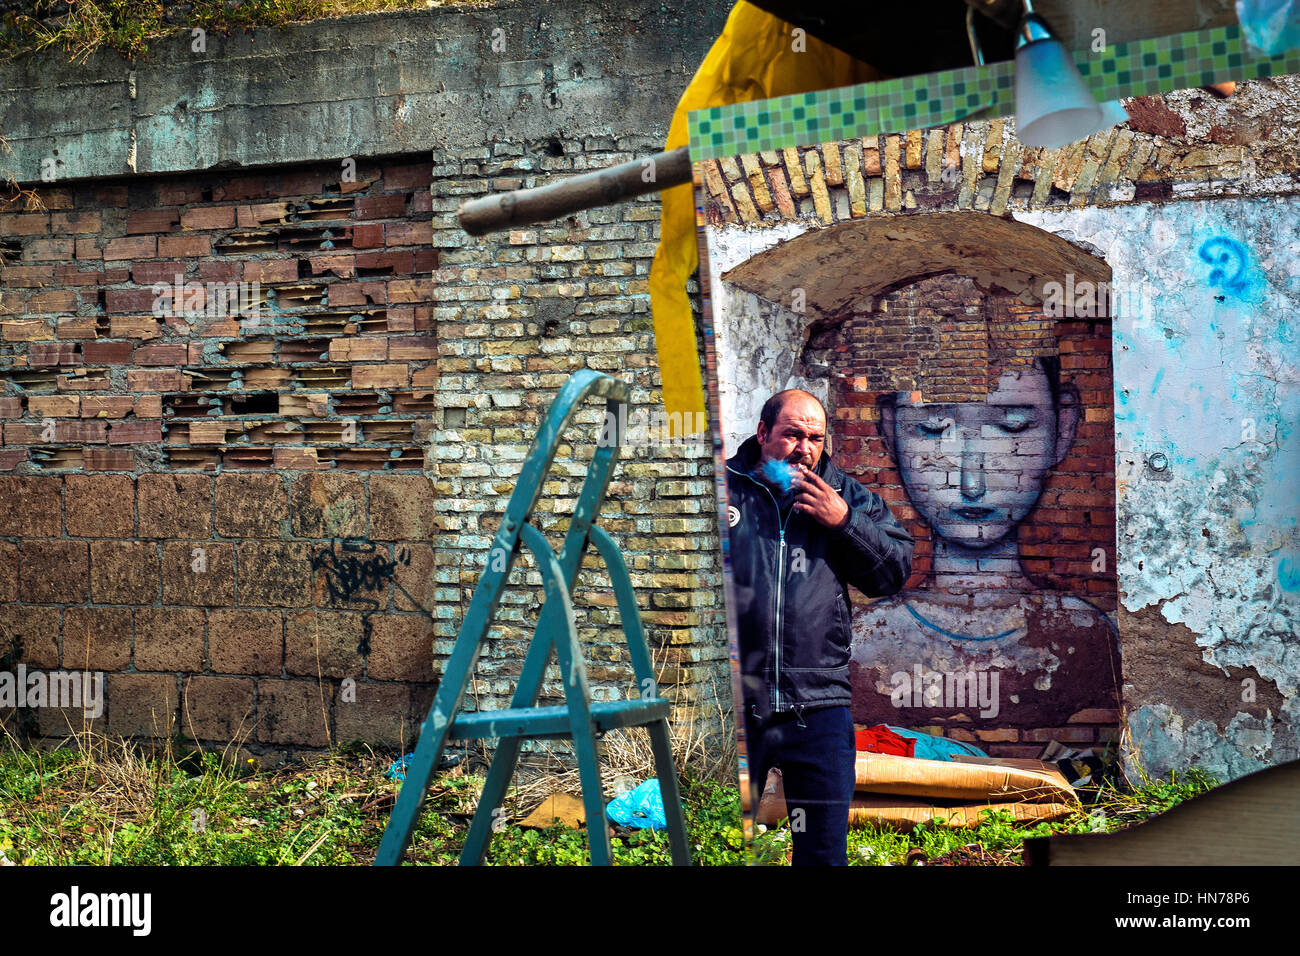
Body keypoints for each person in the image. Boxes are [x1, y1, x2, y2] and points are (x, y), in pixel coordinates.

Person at [725, 388, 914, 865]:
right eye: (792, 434)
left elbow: (892, 574)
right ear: (764, 432)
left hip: (819, 702)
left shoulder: (846, 496)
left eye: (815, 437)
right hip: (733, 704)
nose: (805, 447)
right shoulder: (724, 490)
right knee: (721, 843)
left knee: (824, 853)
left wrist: (844, 522)